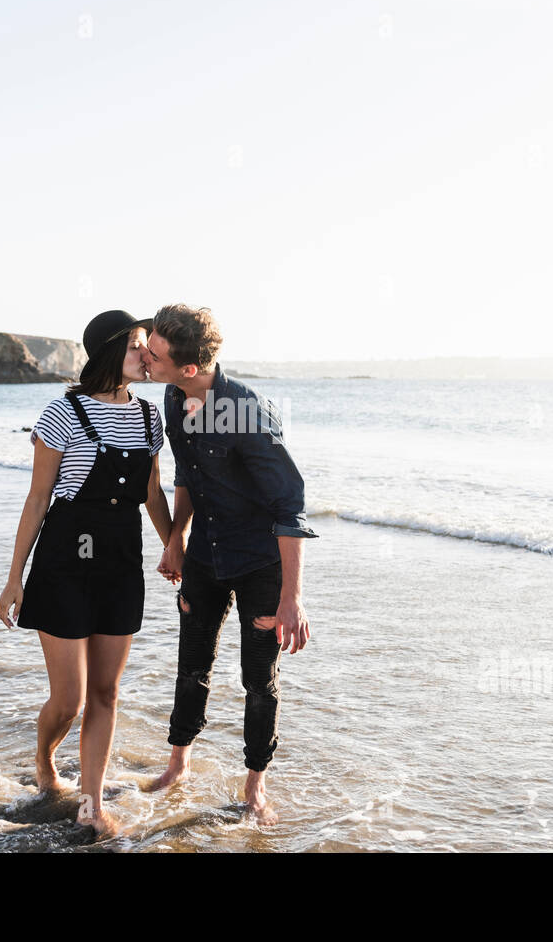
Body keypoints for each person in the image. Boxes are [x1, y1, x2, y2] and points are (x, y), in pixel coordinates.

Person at [140, 303, 318, 825]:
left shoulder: (248, 413)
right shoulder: (175, 398)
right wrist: (175, 538)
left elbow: (290, 506)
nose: (145, 358)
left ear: (189, 367)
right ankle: (178, 765)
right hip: (204, 556)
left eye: (154, 354)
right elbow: (188, 474)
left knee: (258, 678)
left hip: (261, 562)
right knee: (191, 664)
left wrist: (292, 597)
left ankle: (254, 784)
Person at [0, 310, 173, 837]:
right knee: (69, 699)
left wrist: (175, 548)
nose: (148, 355)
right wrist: (14, 578)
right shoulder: (61, 414)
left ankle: (90, 803)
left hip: (121, 563)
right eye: (139, 346)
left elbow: (151, 492)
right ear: (109, 353)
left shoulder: (149, 418)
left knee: (106, 693)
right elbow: (37, 500)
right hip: (64, 563)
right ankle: (45, 757)